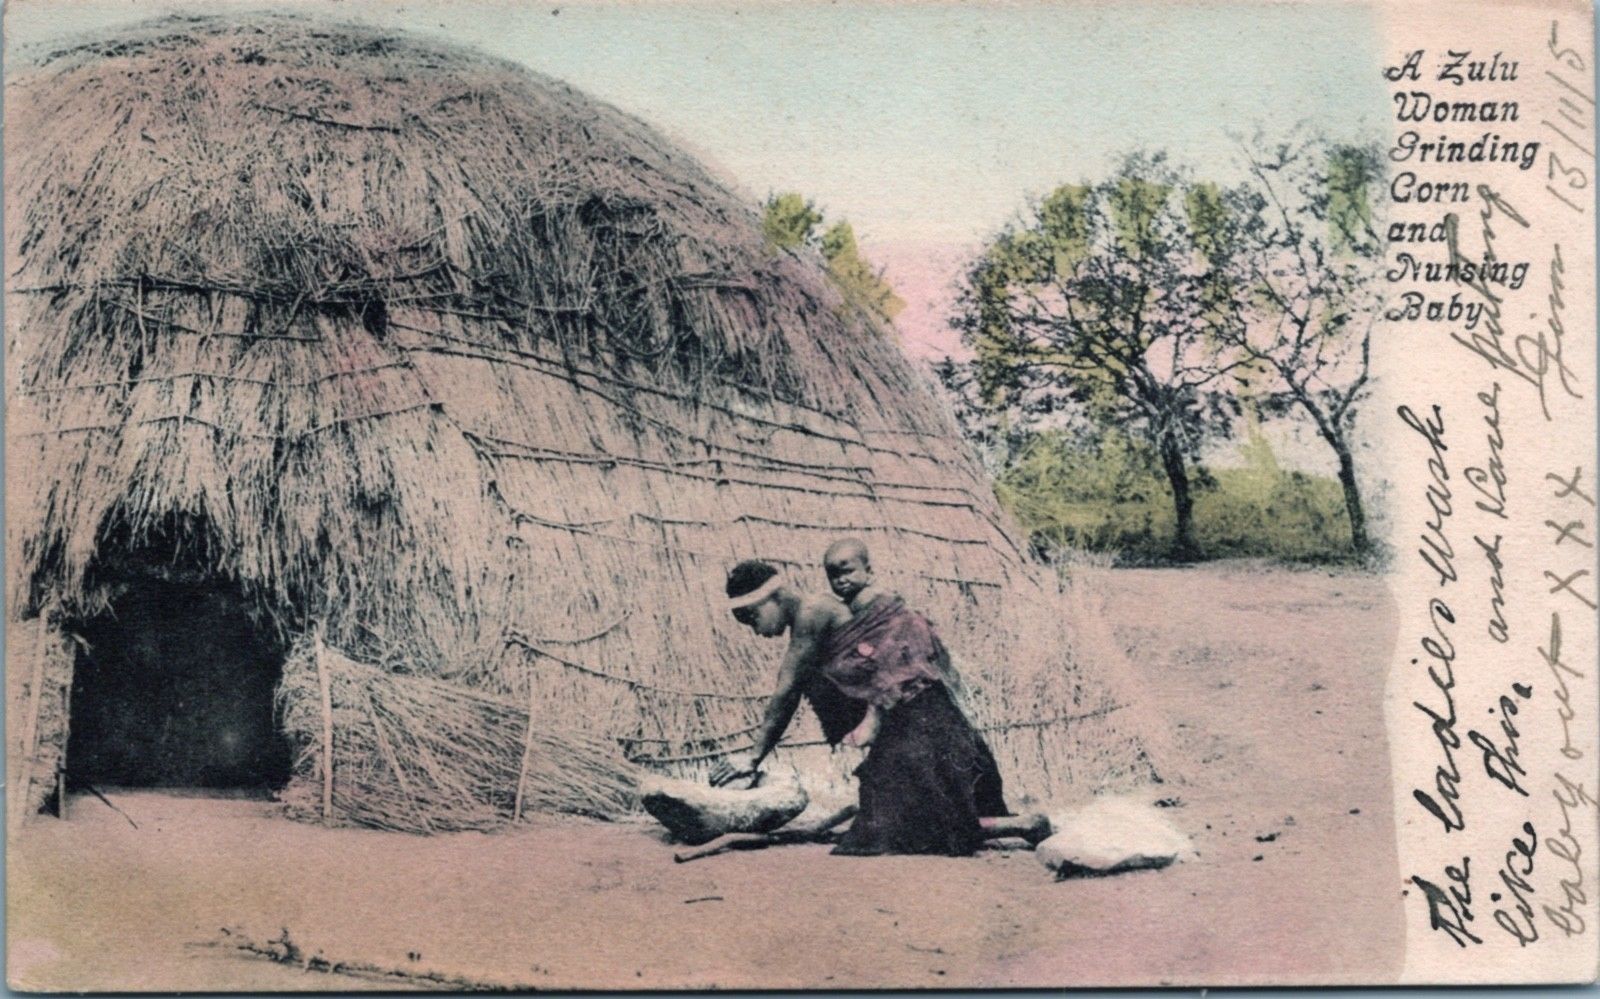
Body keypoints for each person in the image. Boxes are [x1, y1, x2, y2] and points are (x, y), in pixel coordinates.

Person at [711, 551, 1048, 856]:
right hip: (914, 720)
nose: (755, 631)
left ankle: (1024, 825)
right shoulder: (817, 613)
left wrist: (752, 758)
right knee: (900, 817)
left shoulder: (812, 612)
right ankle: (1001, 825)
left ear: (773, 597)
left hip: (919, 721)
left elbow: (787, 690)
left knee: (898, 830)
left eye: (752, 618)